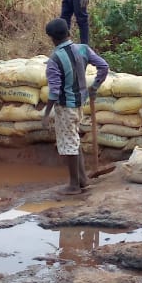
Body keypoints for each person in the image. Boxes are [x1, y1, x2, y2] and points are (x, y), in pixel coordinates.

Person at [41, 17, 109, 195]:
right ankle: (83, 179)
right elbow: (103, 66)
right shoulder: (83, 49)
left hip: (65, 107)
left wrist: (46, 113)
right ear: (69, 33)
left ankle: (73, 184)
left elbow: (55, 92)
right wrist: (94, 87)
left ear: (52, 39)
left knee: (69, 144)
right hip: (79, 104)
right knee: (74, 140)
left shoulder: (54, 60)